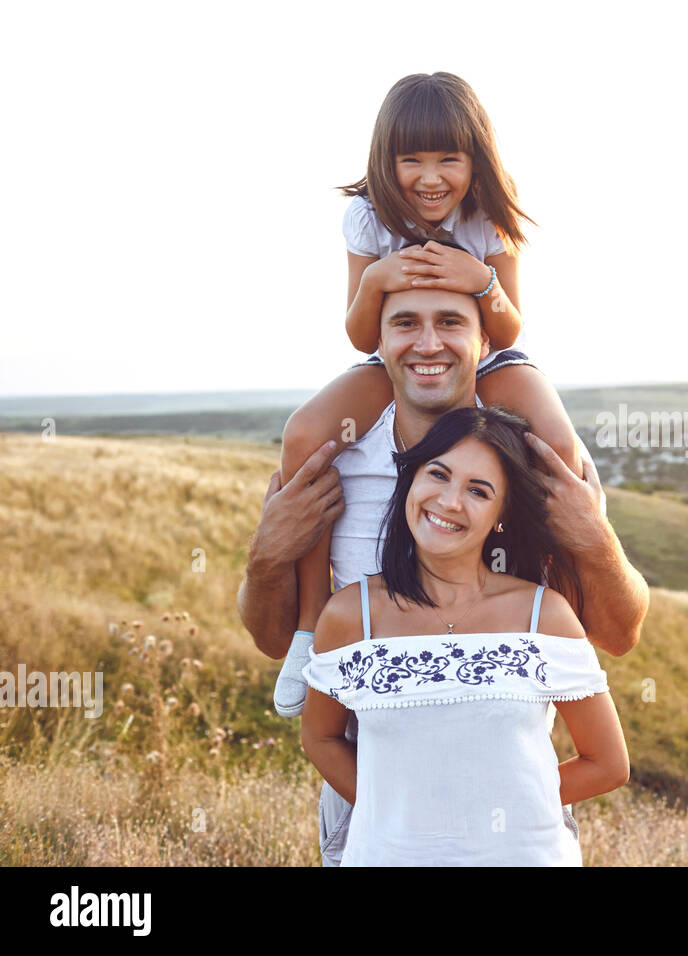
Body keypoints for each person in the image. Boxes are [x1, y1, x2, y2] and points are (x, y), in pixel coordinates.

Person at [237, 277, 648, 864]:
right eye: (406, 323)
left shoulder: (528, 463)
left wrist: (598, 541)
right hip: (373, 808)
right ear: (377, 342)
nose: (428, 343)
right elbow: (281, 661)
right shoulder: (332, 460)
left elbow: (619, 644)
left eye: (451, 323)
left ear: (487, 342)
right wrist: (266, 555)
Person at [276, 72, 585, 694]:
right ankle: (309, 627)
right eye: (410, 159)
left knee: (557, 444)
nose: (430, 176)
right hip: (397, 354)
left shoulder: (490, 218)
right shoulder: (367, 219)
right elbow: (362, 336)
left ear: (477, 160)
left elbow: (510, 327)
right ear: (385, 165)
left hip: (485, 355)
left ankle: (572, 608)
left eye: (450, 158)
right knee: (306, 433)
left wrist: (479, 280)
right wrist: (377, 281)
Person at [301, 405, 628, 865]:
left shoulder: (543, 615)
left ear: (501, 515)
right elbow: (320, 738)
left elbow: (608, 764)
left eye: (478, 490)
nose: (450, 501)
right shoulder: (352, 616)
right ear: (412, 481)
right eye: (438, 474)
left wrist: (491, 814)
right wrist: (398, 811)